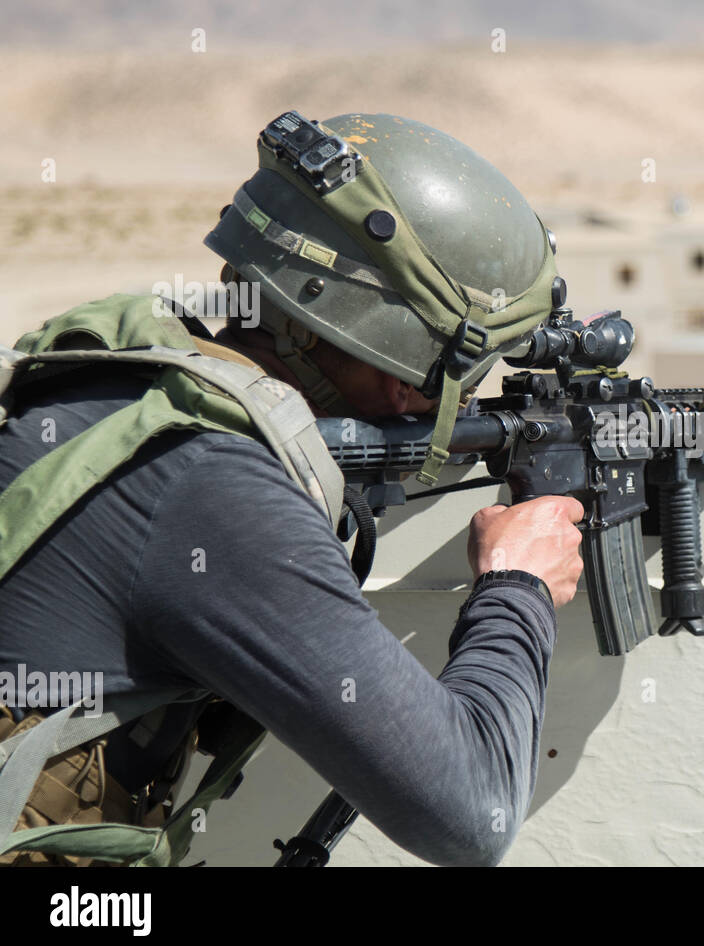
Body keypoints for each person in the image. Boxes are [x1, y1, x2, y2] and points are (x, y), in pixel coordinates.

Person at [0, 111, 584, 867]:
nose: (465, 399)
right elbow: (473, 814)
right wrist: (517, 588)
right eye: (462, 371)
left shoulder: (120, 386)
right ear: (397, 355)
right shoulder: (212, 486)